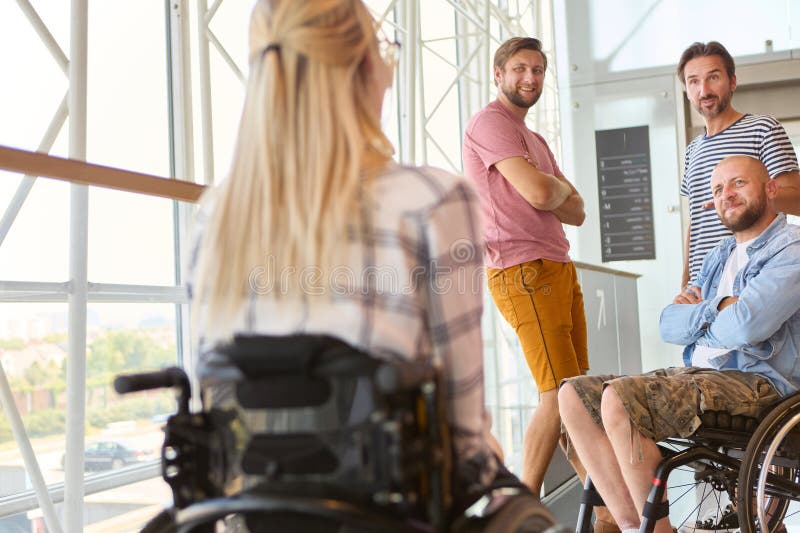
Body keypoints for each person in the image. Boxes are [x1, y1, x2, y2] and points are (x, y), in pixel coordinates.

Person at [186, 0, 545, 527]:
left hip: (251, 517)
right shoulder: (430, 200)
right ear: (362, 67)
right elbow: (462, 433)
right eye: (383, 49)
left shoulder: (216, 215)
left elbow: (218, 398)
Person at [559, 155, 800, 533]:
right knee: (573, 395)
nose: (727, 195)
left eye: (738, 183)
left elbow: (747, 327)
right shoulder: (720, 254)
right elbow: (668, 324)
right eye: (718, 189)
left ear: (770, 189)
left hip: (760, 384)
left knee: (619, 400)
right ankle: (631, 525)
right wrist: (719, 307)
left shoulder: (792, 249)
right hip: (700, 375)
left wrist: (699, 319)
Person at [461, 36, 616, 529]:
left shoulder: (535, 139)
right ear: (498, 74)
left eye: (539, 70)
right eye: (521, 68)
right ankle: (517, 510)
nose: (531, 78)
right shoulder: (490, 124)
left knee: (577, 398)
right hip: (522, 270)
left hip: (558, 266)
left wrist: (553, 191)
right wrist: (549, 189)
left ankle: (611, 512)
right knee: (560, 394)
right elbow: (537, 189)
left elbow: (578, 209)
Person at [677, 41, 800, 290]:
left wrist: (745, 198)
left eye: (713, 77)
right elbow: (696, 220)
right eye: (693, 81)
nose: (704, 90)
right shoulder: (692, 150)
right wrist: (686, 281)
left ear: (732, 81)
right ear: (687, 90)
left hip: (753, 273)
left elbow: (797, 198)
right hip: (704, 282)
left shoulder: (763, 128)